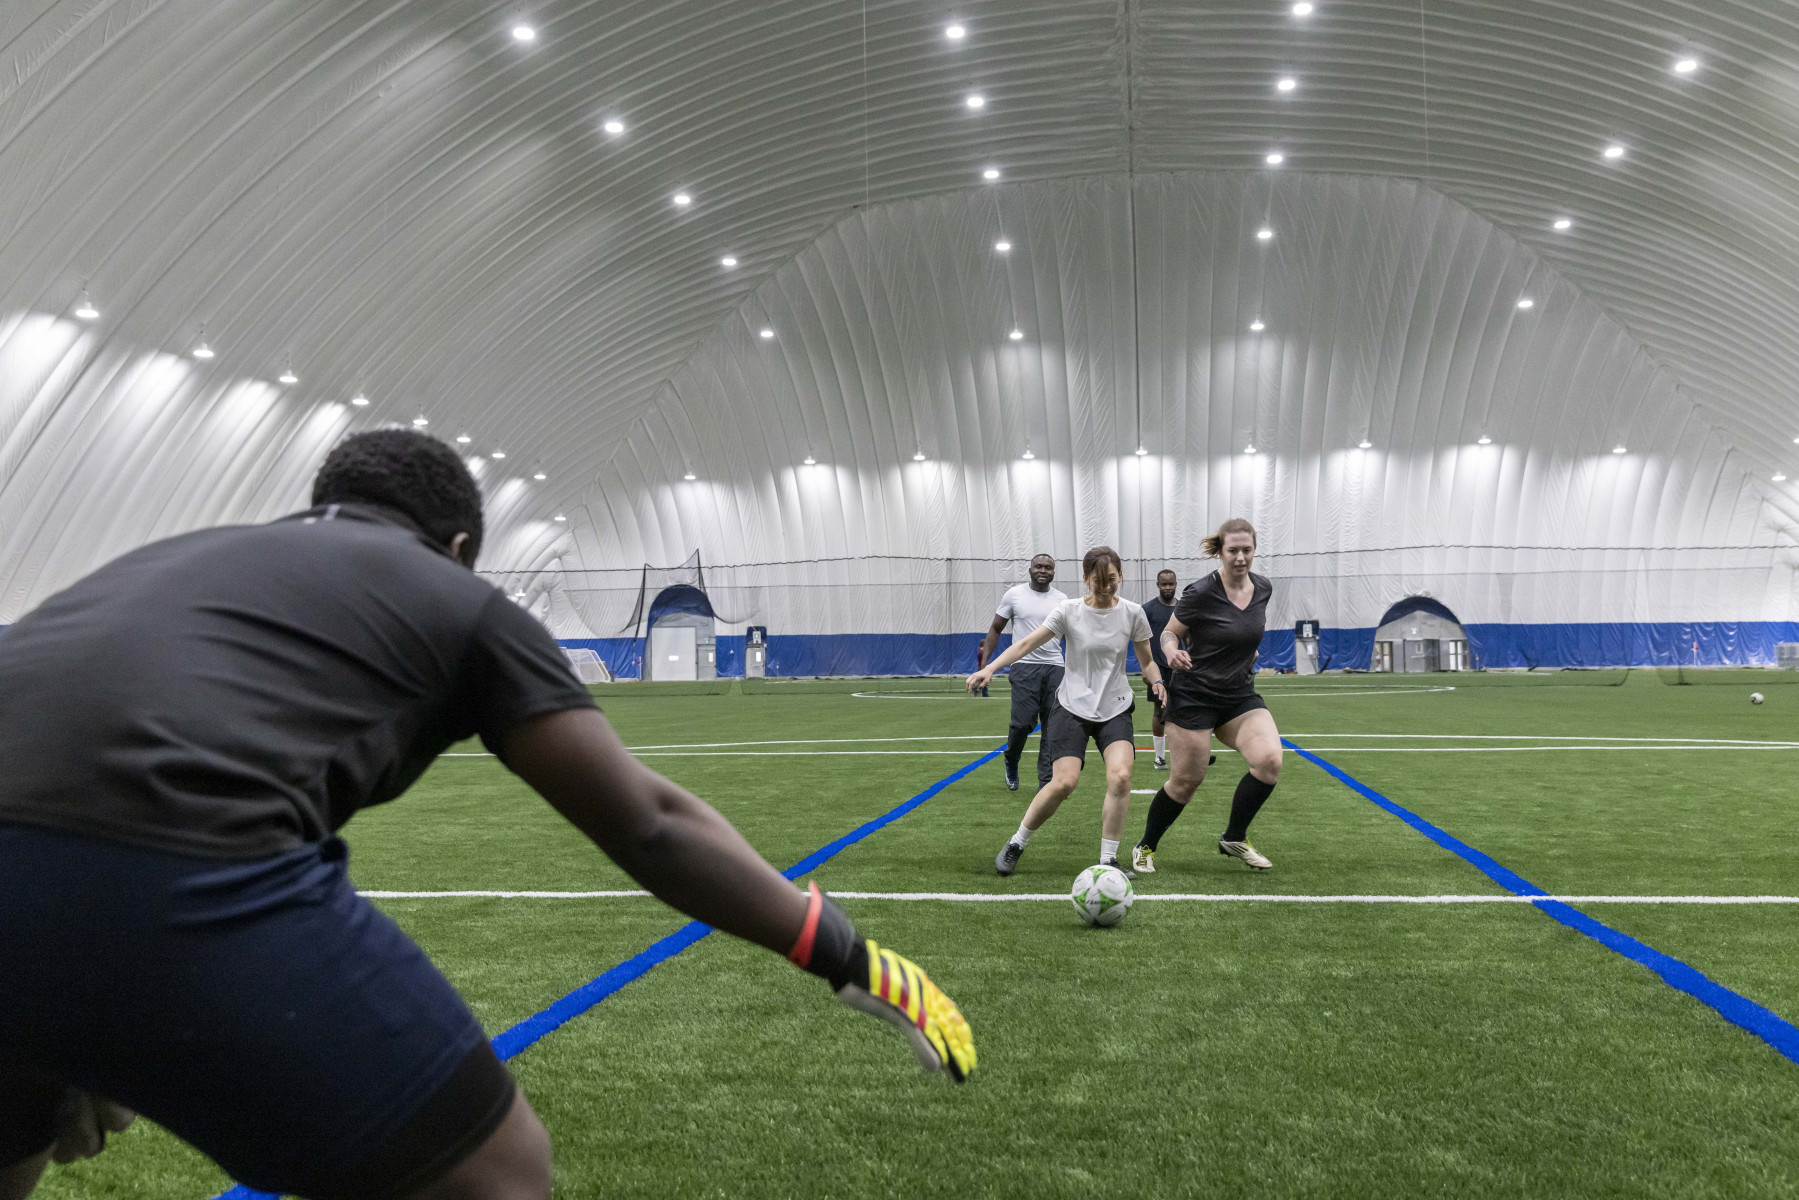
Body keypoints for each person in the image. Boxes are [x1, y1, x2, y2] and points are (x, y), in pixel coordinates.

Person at [0, 430, 974, 1200]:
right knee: (496, 1172)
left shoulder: (176, 554)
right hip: (180, 860)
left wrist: (79, 1003)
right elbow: (649, 823)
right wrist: (845, 951)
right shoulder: (458, 600)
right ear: (462, 547)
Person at [966, 547, 1165, 878]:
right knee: (1063, 782)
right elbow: (1025, 644)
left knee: (1121, 775)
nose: (1105, 587)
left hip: (1114, 707)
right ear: (1086, 578)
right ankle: (1016, 842)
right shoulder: (1068, 611)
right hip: (1071, 706)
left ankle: (1108, 860)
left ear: (1121, 577)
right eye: (1098, 580)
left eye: (1112, 580)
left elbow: (1147, 661)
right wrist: (991, 668)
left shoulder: (1133, 613)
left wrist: (1157, 681)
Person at [1131, 518, 1281, 875]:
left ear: (1254, 549)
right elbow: (1169, 633)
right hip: (1194, 697)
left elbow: (1245, 634)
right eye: (1233, 551)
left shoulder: (1263, 588)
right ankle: (1145, 846)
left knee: (1269, 762)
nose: (1241, 557)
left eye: (1247, 550)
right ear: (1221, 551)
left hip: (1238, 696)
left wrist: (1247, 654)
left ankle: (1234, 837)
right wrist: (1170, 651)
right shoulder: (1201, 592)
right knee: (1185, 782)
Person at [977, 553, 1067, 791]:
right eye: (1038, 566)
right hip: (1024, 666)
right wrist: (985, 666)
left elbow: (1072, 637)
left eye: (1048, 567)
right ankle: (1011, 760)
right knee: (1022, 723)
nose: (1043, 570)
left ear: (1053, 573)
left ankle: (1045, 782)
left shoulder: (1062, 600)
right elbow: (996, 628)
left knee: (1052, 726)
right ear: (1030, 570)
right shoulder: (1014, 595)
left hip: (1055, 667)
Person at [1142, 569, 1179, 768]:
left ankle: (1185, 756)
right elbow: (1141, 640)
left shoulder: (1183, 608)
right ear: (1157, 585)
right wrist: (1145, 668)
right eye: (1164, 584)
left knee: (1184, 711)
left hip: (1180, 669)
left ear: (1176, 584)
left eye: (1170, 584)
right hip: (1157, 670)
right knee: (1159, 711)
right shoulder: (1147, 609)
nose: (1167, 587)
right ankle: (1159, 757)